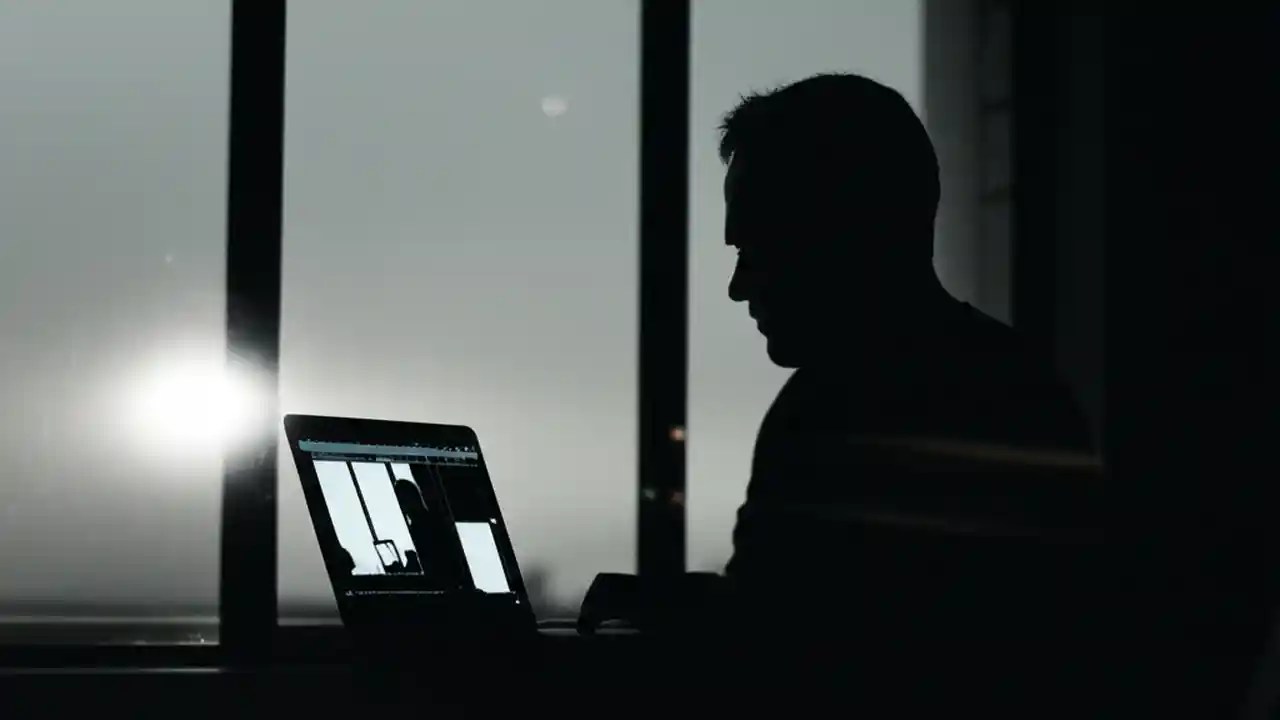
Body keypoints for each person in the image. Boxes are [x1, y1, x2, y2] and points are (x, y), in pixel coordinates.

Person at [581, 73, 1104, 711]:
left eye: (754, 249)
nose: (738, 286)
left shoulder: (826, 414)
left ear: (831, 236)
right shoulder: (1022, 385)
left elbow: (781, 650)